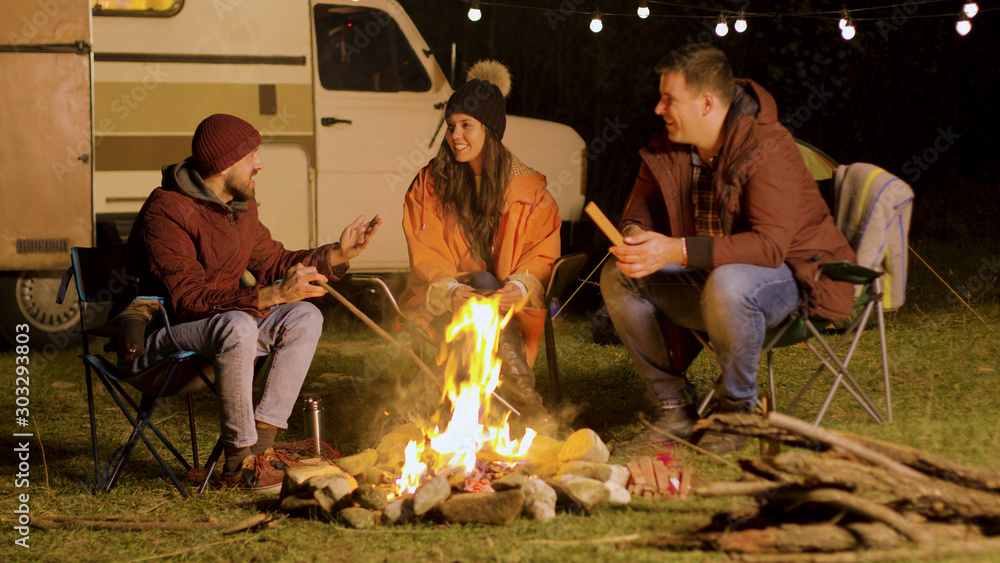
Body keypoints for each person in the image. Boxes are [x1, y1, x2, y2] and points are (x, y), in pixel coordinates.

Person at [600, 45, 856, 454]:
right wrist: (634, 237)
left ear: (705, 103)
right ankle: (674, 408)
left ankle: (737, 414)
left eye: (669, 99)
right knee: (619, 276)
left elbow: (769, 247)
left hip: (796, 279)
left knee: (729, 281)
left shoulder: (768, 146)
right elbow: (640, 212)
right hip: (712, 283)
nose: (658, 108)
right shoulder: (670, 148)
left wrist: (677, 251)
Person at [125, 113, 382, 491]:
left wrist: (339, 254)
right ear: (224, 164)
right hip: (160, 342)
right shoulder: (165, 212)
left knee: (304, 316)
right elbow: (187, 300)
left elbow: (273, 260)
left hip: (221, 340)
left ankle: (260, 453)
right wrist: (271, 295)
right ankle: (237, 463)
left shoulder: (237, 205)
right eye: (251, 156)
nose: (259, 163)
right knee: (239, 323)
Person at [400, 61, 561, 421]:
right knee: (483, 289)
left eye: (467, 126)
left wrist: (521, 286)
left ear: (490, 130)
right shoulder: (431, 184)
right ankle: (528, 406)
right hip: (444, 303)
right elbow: (426, 253)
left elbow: (542, 252)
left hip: (509, 309)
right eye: (451, 126)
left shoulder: (527, 191)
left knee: (489, 292)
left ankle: (432, 407)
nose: (456, 135)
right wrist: (449, 290)